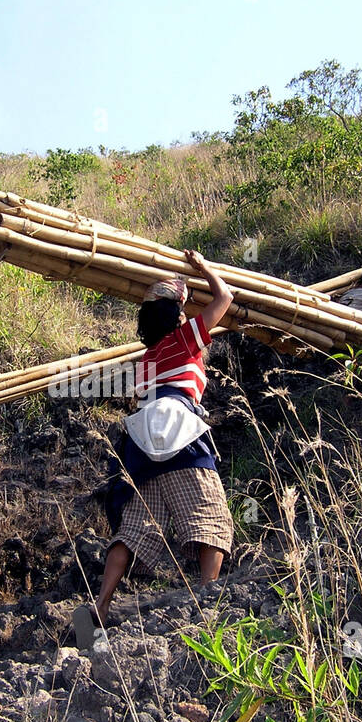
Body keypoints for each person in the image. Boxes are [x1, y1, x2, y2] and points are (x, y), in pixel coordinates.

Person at [74, 250, 235, 649]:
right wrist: (205, 269)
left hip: (141, 442)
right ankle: (207, 599)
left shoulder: (146, 360)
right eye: (181, 313)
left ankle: (102, 604)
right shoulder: (183, 341)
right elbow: (225, 299)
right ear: (177, 319)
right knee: (209, 514)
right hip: (179, 428)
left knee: (134, 528)